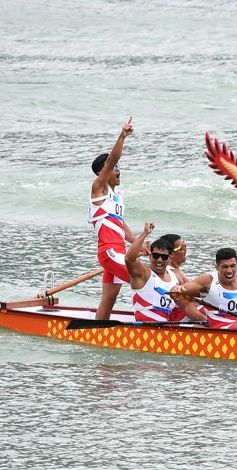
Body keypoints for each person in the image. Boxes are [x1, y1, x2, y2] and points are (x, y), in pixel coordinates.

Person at [89, 118, 136, 320]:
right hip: (109, 252)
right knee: (143, 279)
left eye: (119, 167)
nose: (118, 171)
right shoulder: (99, 188)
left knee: (108, 300)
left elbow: (121, 225)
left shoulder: (117, 197)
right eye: (115, 167)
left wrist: (138, 243)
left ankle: (98, 332)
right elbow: (111, 160)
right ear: (103, 172)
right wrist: (122, 136)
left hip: (119, 251)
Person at [125, 223, 203, 323]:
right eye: (156, 256)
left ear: (170, 258)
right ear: (150, 256)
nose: (160, 260)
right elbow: (129, 258)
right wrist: (144, 233)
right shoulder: (143, 274)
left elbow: (200, 293)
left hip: (168, 328)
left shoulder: (175, 277)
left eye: (164, 257)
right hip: (147, 329)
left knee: (203, 309)